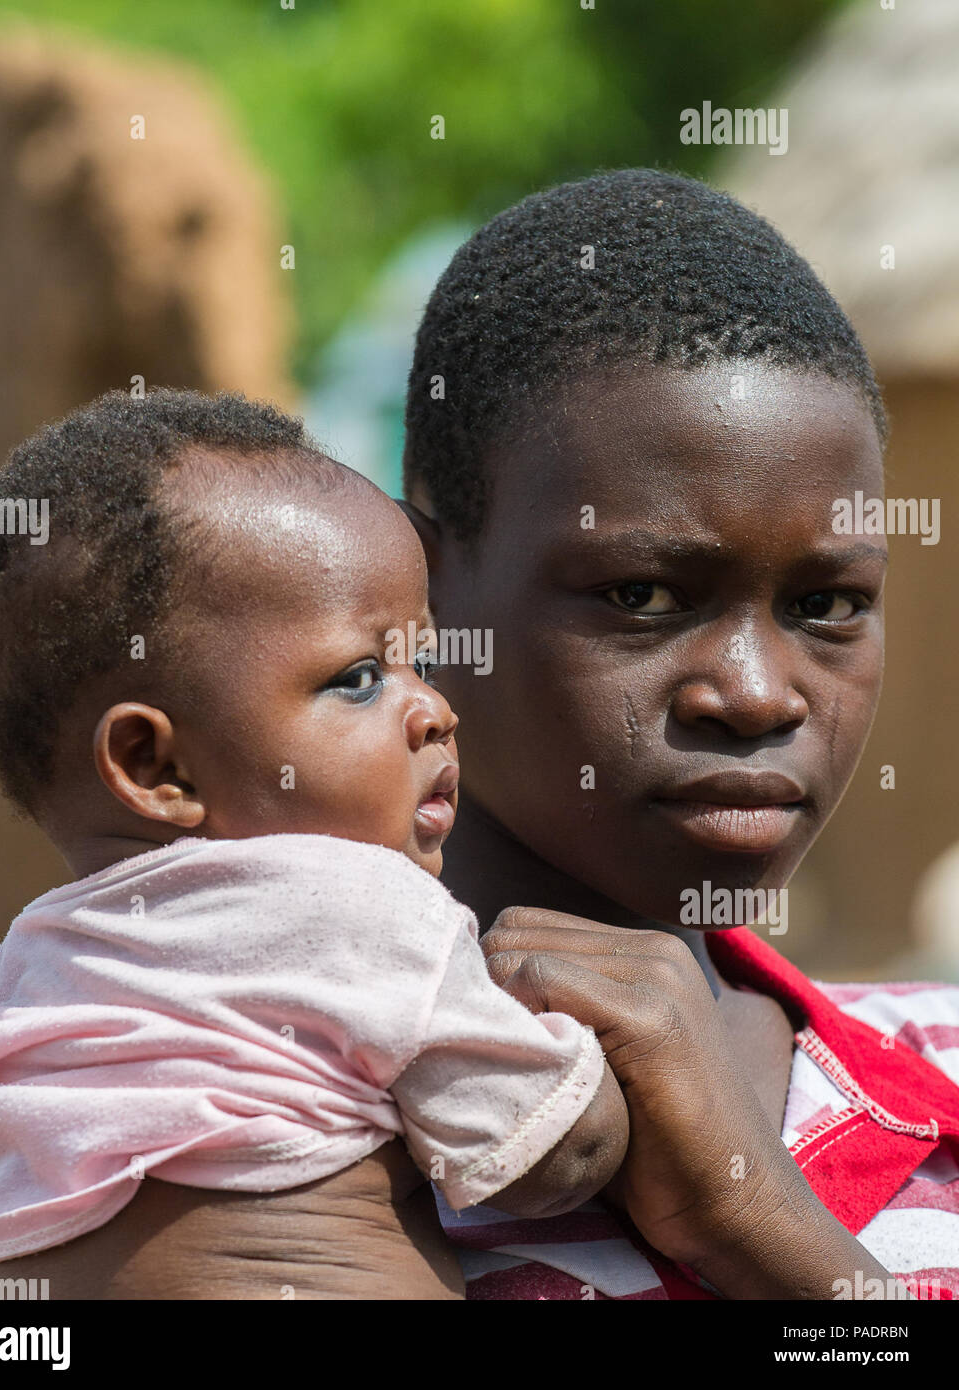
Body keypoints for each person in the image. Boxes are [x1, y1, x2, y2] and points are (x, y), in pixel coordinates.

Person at [0, 389, 632, 1301]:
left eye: (426, 659)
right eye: (363, 678)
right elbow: (553, 1153)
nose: (436, 711)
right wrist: (592, 1052)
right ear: (154, 763)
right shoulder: (367, 911)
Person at [398, 168, 959, 1300]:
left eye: (824, 605)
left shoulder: (934, 1078)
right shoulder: (227, 1116)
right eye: (643, 595)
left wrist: (751, 1218)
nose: (754, 694)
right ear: (420, 593)